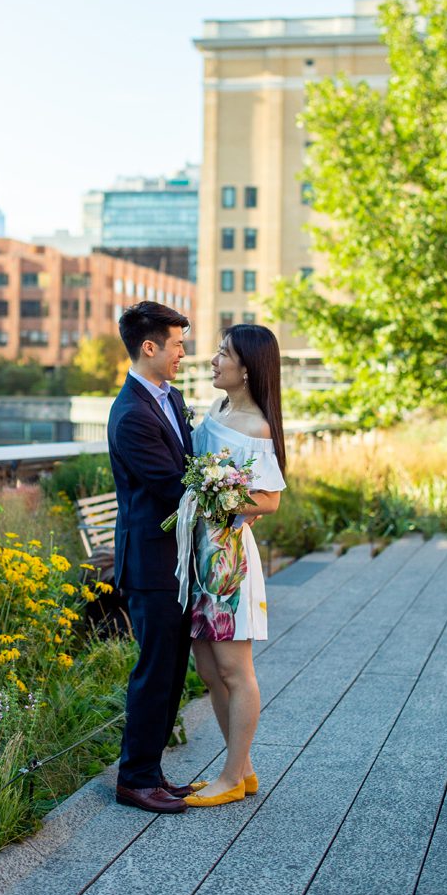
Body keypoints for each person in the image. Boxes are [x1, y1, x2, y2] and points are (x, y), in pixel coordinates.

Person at [180, 324, 286, 808]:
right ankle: (240, 771)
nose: (213, 360)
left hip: (229, 558)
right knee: (206, 665)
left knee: (234, 668)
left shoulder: (257, 426)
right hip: (199, 552)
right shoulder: (220, 409)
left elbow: (270, 499)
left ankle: (231, 776)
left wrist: (218, 493)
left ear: (246, 367)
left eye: (223, 354)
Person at [107, 301, 196, 814]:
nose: (183, 353)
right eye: (177, 343)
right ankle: (134, 778)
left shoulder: (170, 398)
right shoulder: (132, 414)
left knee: (172, 669)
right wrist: (225, 491)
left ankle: (153, 771)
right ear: (150, 346)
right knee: (153, 671)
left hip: (175, 559)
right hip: (151, 562)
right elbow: (171, 484)